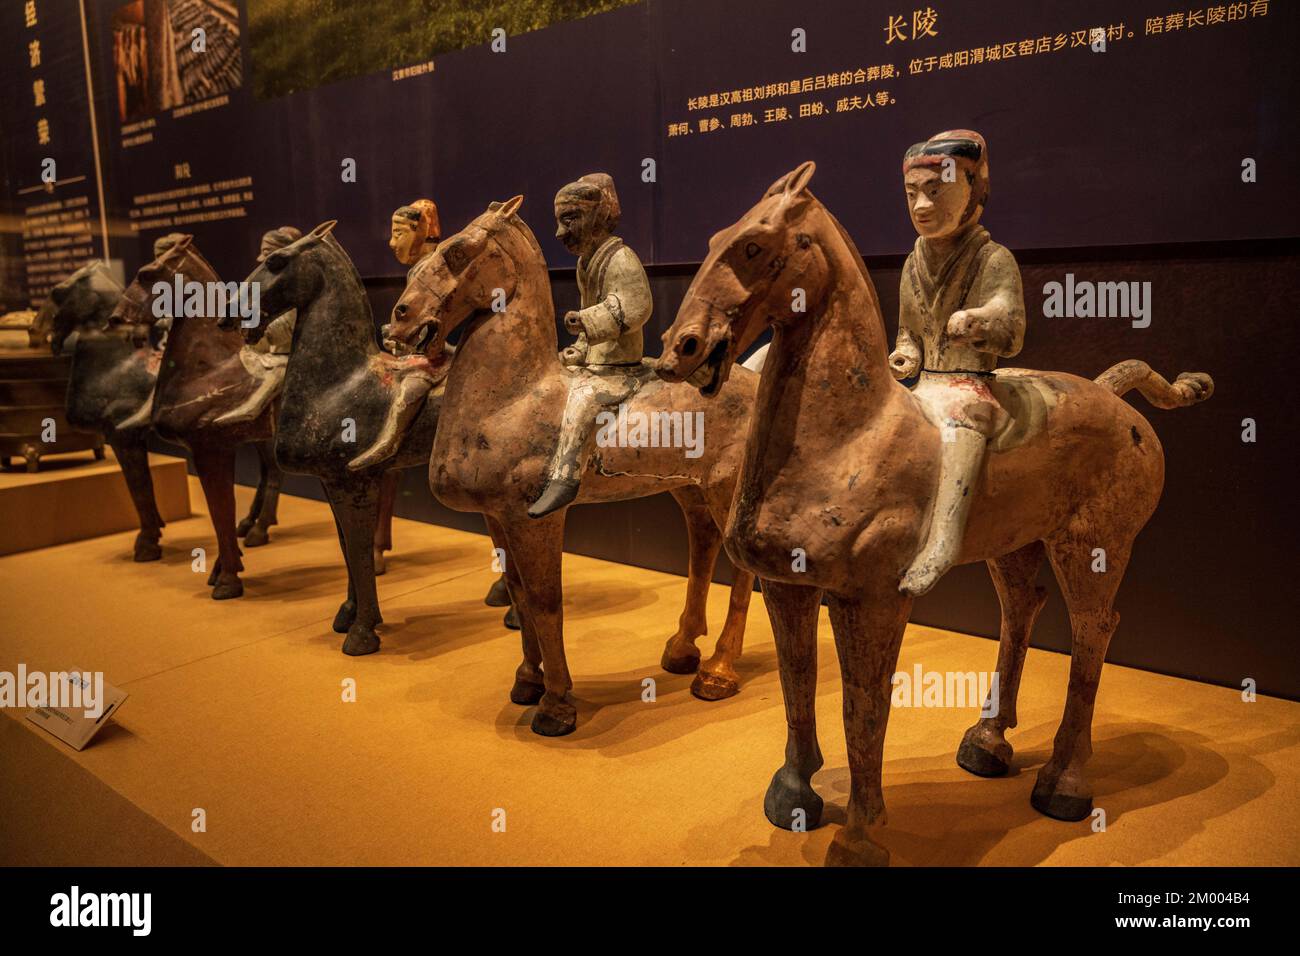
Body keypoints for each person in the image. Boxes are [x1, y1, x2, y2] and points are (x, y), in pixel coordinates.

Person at [888, 130, 1025, 597]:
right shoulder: (912, 264)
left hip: (968, 385)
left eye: (936, 191)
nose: (922, 205)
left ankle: (943, 542)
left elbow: (1011, 329)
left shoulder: (992, 258)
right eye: (913, 194)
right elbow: (908, 333)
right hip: (924, 383)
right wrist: (903, 354)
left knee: (959, 422)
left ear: (973, 191)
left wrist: (979, 320)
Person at [527, 173, 652, 517]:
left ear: (597, 217)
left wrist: (587, 321)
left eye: (570, 219)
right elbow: (591, 313)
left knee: (582, 400)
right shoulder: (587, 263)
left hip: (618, 366)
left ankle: (565, 477)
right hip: (596, 360)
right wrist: (579, 348)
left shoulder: (621, 258)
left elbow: (637, 305)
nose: (560, 232)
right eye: (559, 221)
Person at [346, 199, 444, 470]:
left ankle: (389, 441)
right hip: (419, 348)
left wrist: (413, 339)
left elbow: (434, 319)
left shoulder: (433, 268)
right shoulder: (420, 268)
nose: (391, 242)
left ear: (420, 231)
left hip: (435, 353)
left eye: (399, 233)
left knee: (412, 385)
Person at [213, 226, 304, 426]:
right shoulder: (262, 282)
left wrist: (254, 326)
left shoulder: (297, 284)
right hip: (261, 353)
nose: (261, 262)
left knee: (279, 372)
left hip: (288, 357)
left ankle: (251, 410)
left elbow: (283, 331)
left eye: (268, 255)